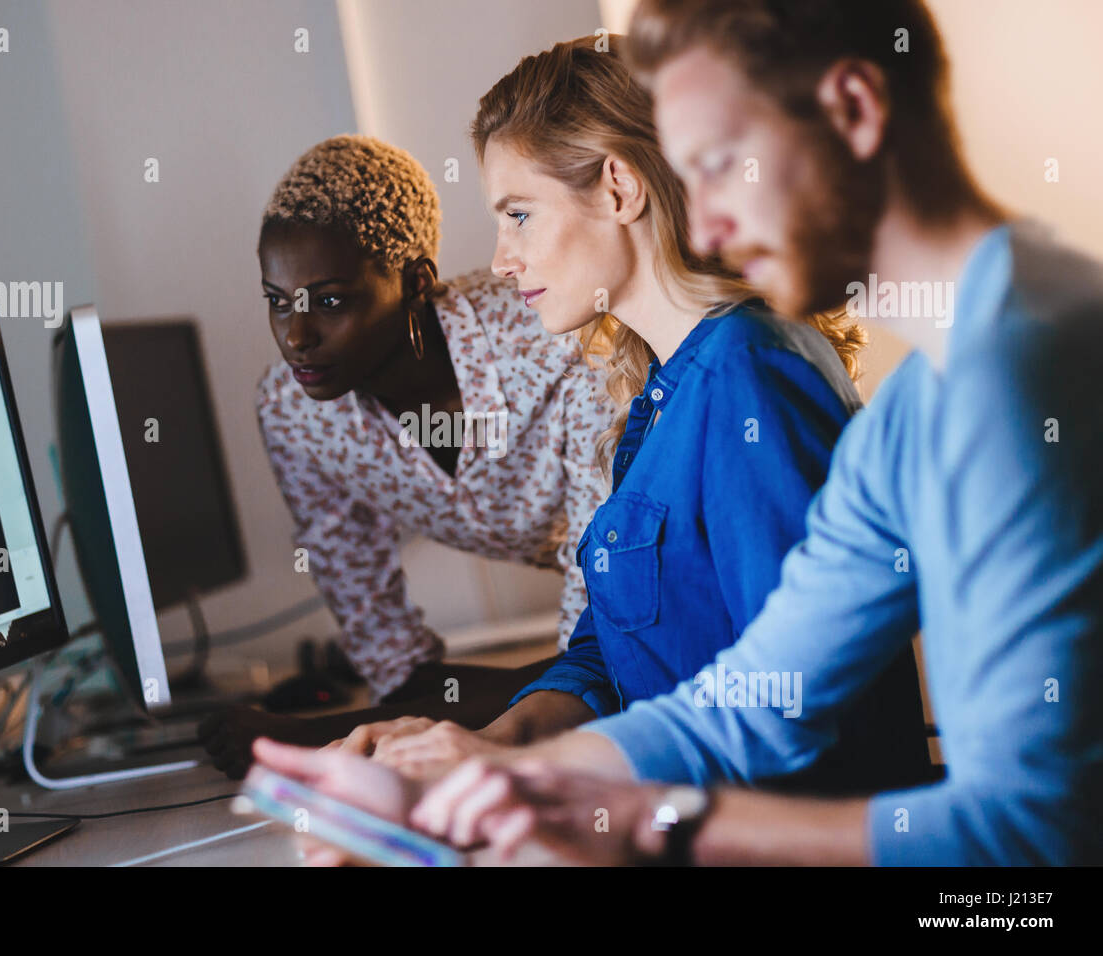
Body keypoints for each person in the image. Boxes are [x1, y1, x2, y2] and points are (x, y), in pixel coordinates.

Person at [254, 0, 1103, 866]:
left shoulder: (1025, 368)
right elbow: (755, 701)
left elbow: (1026, 845)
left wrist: (633, 824)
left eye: (715, 164)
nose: (702, 214)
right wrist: (502, 777)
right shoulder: (924, 397)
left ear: (851, 108)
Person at [330, 37, 930, 802]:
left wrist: (540, 782)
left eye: (518, 215)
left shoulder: (750, 373)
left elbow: (792, 706)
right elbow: (612, 658)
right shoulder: (654, 397)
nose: (501, 258)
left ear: (618, 188)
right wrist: (490, 743)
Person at [199, 135, 613, 778]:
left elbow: (602, 657)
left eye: (329, 301)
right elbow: (399, 670)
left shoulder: (555, 336)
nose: (296, 336)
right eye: (277, 301)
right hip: (598, 650)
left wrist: (318, 734)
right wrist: (389, 716)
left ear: (416, 282)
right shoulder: (293, 411)